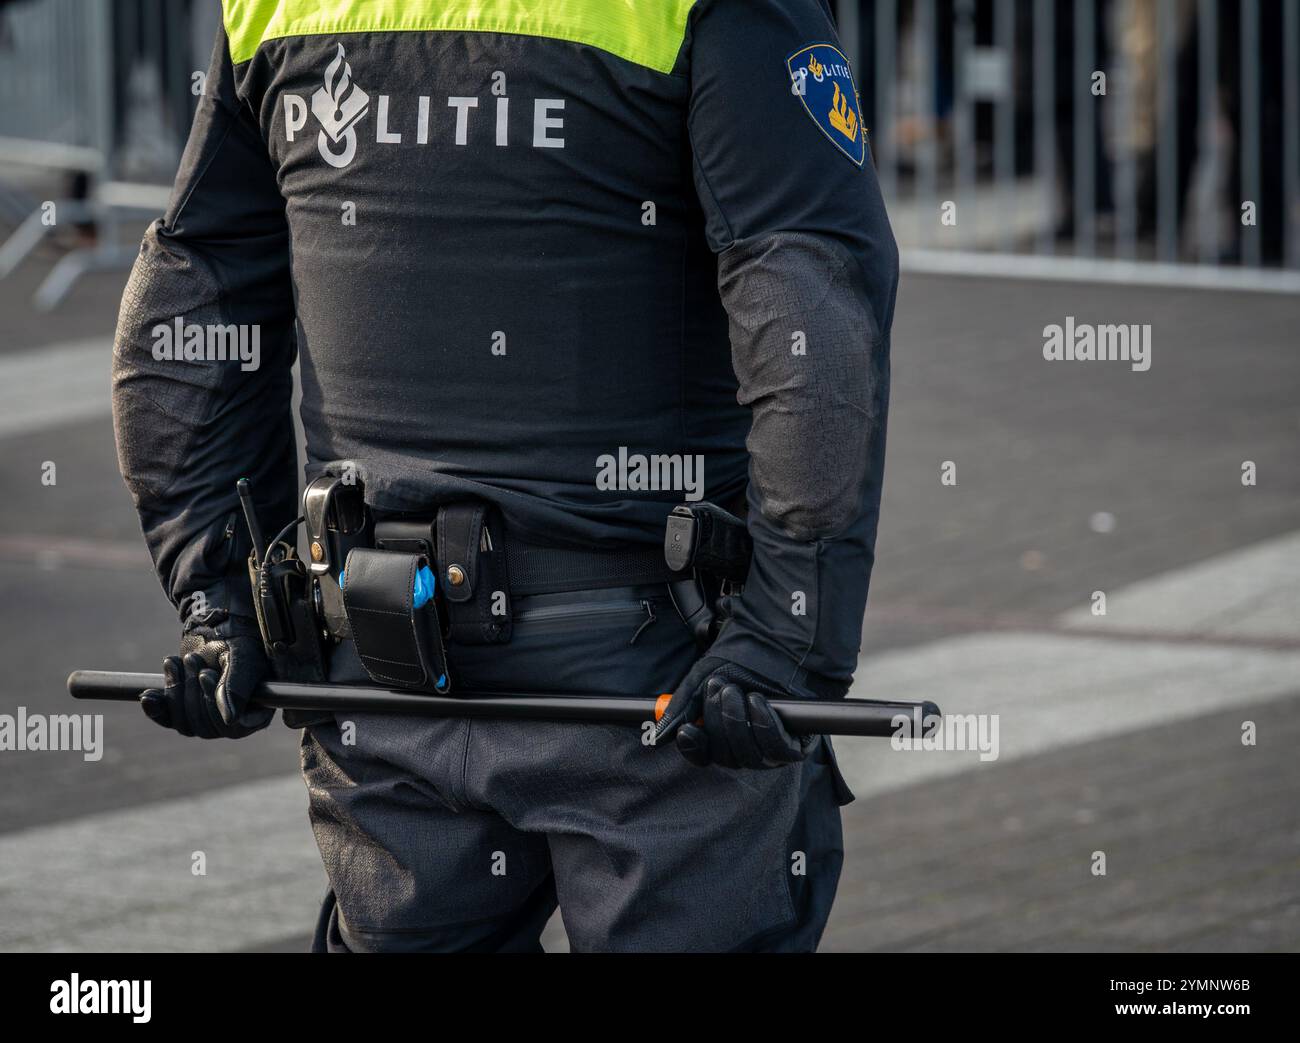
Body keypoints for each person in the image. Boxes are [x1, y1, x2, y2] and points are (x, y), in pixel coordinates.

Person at [112, 0, 897, 952]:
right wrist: (789, 635)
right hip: (655, 687)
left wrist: (222, 597)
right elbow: (811, 310)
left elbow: (194, 300)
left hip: (384, 677)